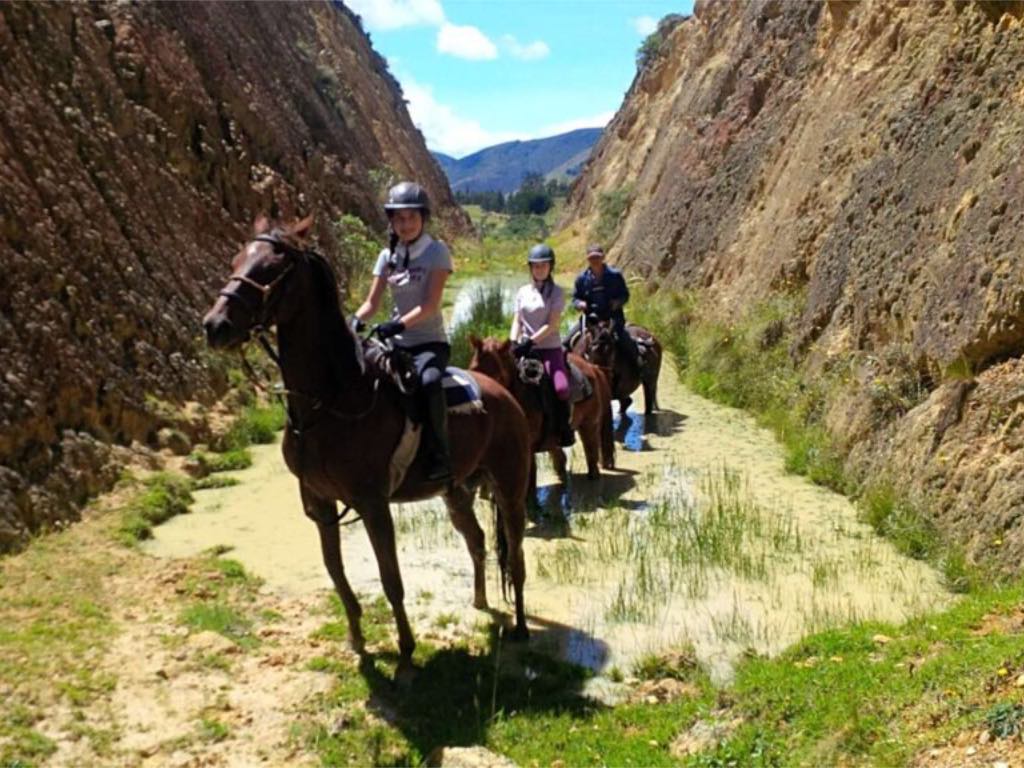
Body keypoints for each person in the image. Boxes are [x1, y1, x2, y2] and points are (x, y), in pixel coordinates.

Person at [353, 181, 454, 482]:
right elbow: (371, 303)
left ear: (423, 218)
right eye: (399, 218)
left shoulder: (437, 252)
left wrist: (398, 324)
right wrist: (353, 320)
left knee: (430, 381)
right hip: (394, 345)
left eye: (411, 217)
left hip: (429, 344)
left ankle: (441, 453)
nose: (405, 224)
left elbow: (431, 305)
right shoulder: (387, 257)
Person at [511, 244, 575, 447]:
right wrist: (513, 341)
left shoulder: (556, 293)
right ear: (530, 268)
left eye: (543, 266)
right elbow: (517, 320)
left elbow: (552, 324)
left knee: (561, 388)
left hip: (549, 349)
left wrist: (531, 341)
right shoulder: (522, 292)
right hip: (524, 348)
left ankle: (564, 428)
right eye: (536, 266)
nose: (539, 269)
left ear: (550, 267)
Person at [571, 244, 639, 370]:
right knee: (566, 342)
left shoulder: (615, 275)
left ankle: (639, 367)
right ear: (587, 259)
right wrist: (579, 304)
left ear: (603, 257)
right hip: (590, 320)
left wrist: (617, 303)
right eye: (591, 258)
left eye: (597, 257)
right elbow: (575, 298)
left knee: (626, 343)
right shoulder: (581, 279)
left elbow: (625, 295)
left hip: (612, 319)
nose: (595, 260)